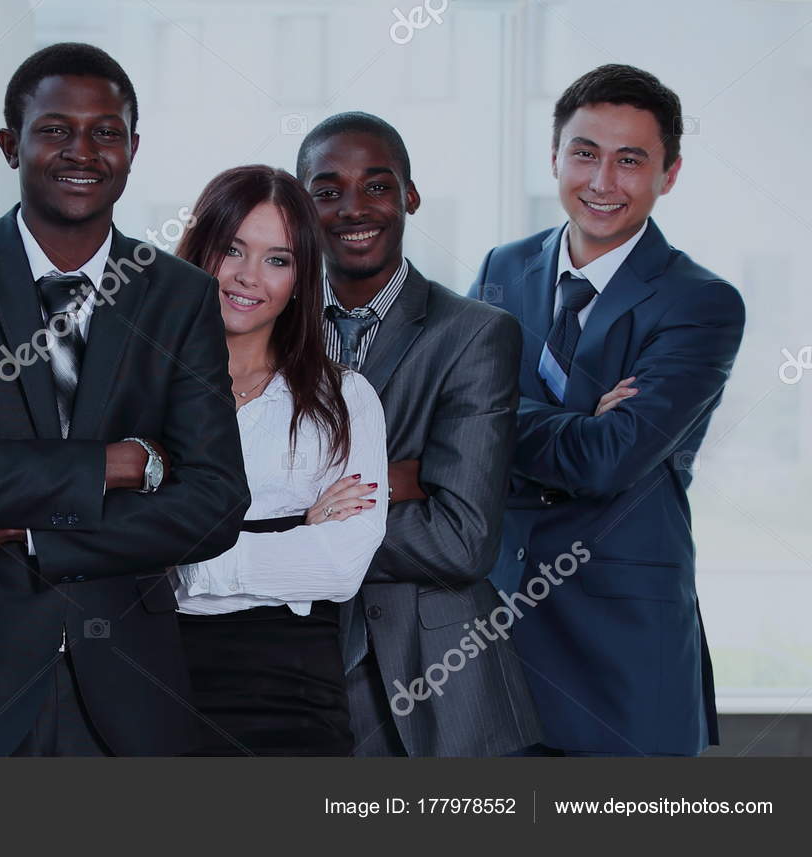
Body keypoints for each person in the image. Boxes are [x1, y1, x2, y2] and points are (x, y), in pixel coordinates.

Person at [0, 42, 249, 757]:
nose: (83, 150)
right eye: (55, 129)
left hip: (129, 688)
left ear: (133, 148)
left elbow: (216, 502)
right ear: (11, 144)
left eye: (106, 131)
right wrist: (111, 465)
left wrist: (25, 533)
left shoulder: (180, 294)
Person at [472, 65, 744, 756]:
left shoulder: (699, 303)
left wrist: (503, 413)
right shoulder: (502, 268)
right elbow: (455, 421)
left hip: (621, 645)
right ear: (555, 156)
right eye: (586, 152)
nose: (602, 181)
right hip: (497, 625)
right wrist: (578, 417)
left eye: (631, 161)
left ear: (669, 173)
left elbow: (604, 459)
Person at [297, 112, 542, 756]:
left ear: (409, 196)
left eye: (376, 186)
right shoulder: (262, 324)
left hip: (435, 682)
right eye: (327, 192)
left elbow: (461, 540)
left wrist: (288, 529)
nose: (354, 209)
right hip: (288, 671)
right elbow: (209, 506)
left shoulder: (474, 333)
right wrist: (391, 483)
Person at [171, 165, 387, 755]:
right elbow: (109, 540)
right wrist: (294, 530)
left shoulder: (344, 399)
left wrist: (184, 564)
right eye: (232, 249)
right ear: (199, 251)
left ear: (300, 277)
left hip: (292, 693)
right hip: (149, 672)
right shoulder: (138, 388)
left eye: (278, 259)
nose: (248, 277)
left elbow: (341, 567)